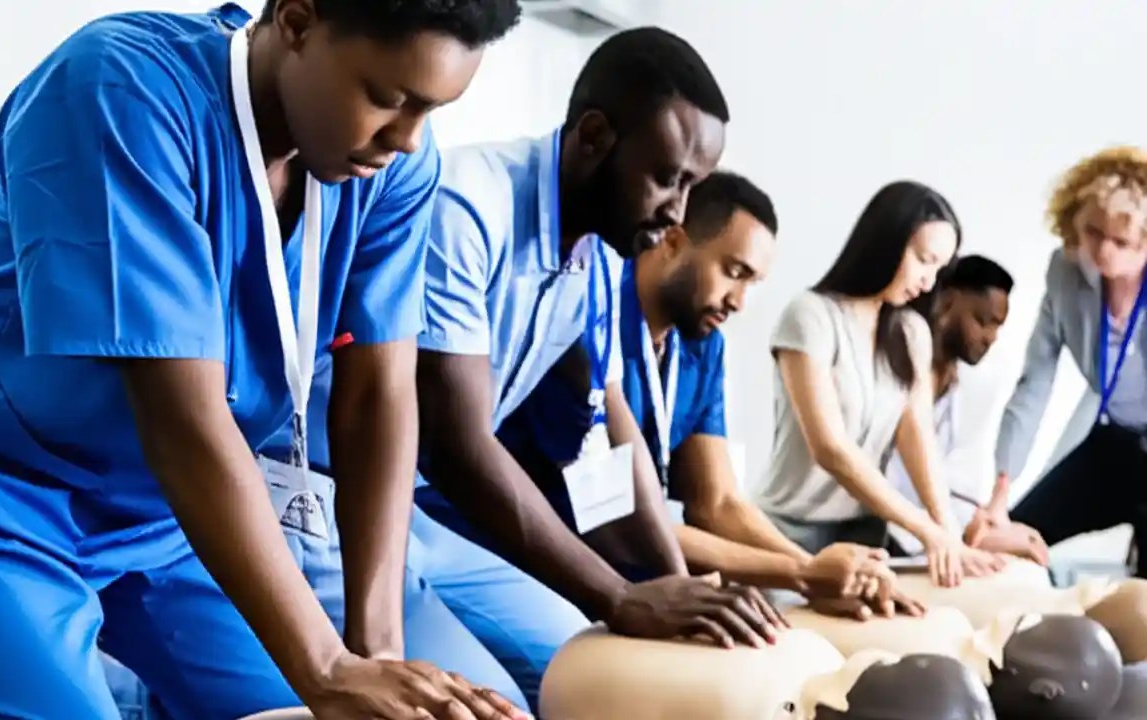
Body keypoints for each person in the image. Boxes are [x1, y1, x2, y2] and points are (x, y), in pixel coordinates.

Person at [0, 2, 527, 719]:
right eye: (388, 99)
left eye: (432, 111)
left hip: (161, 517)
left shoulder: (392, 168)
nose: (406, 139)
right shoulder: (123, 88)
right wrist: (327, 664)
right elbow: (181, 416)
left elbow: (378, 393)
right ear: (299, 19)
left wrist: (376, 652)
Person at [412, 26, 780, 703]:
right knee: (512, 701)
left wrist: (681, 588)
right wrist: (617, 595)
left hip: (422, 518)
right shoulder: (473, 206)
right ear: (593, 137)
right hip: (357, 495)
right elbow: (458, 445)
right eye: (667, 179)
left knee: (583, 669)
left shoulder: (601, 259)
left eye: (692, 186)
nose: (677, 213)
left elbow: (610, 438)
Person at [498, 171, 915, 619]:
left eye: (752, 283)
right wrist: (799, 573)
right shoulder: (592, 318)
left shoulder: (703, 346)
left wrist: (817, 571)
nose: (739, 301)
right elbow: (614, 515)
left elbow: (716, 503)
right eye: (733, 272)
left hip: (630, 565)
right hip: (537, 556)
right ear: (672, 242)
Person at [759, 180, 1004, 587]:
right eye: (924, 260)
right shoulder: (809, 317)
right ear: (887, 242)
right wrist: (925, 529)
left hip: (865, 536)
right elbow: (830, 449)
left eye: (939, 270)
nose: (929, 282)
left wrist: (950, 537)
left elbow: (916, 437)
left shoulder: (911, 332)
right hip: (788, 533)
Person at [991, 146, 1147, 577]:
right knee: (1011, 540)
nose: (1104, 252)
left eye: (1122, 242)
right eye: (1093, 232)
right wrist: (999, 494)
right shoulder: (1064, 272)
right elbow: (1034, 383)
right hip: (1111, 443)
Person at [886, 255, 1049, 564]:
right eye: (981, 320)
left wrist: (982, 523)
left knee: (1027, 561)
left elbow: (955, 483)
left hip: (935, 537)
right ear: (947, 302)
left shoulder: (972, 388)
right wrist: (959, 535)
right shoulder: (895, 370)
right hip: (888, 537)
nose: (990, 337)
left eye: (997, 327)